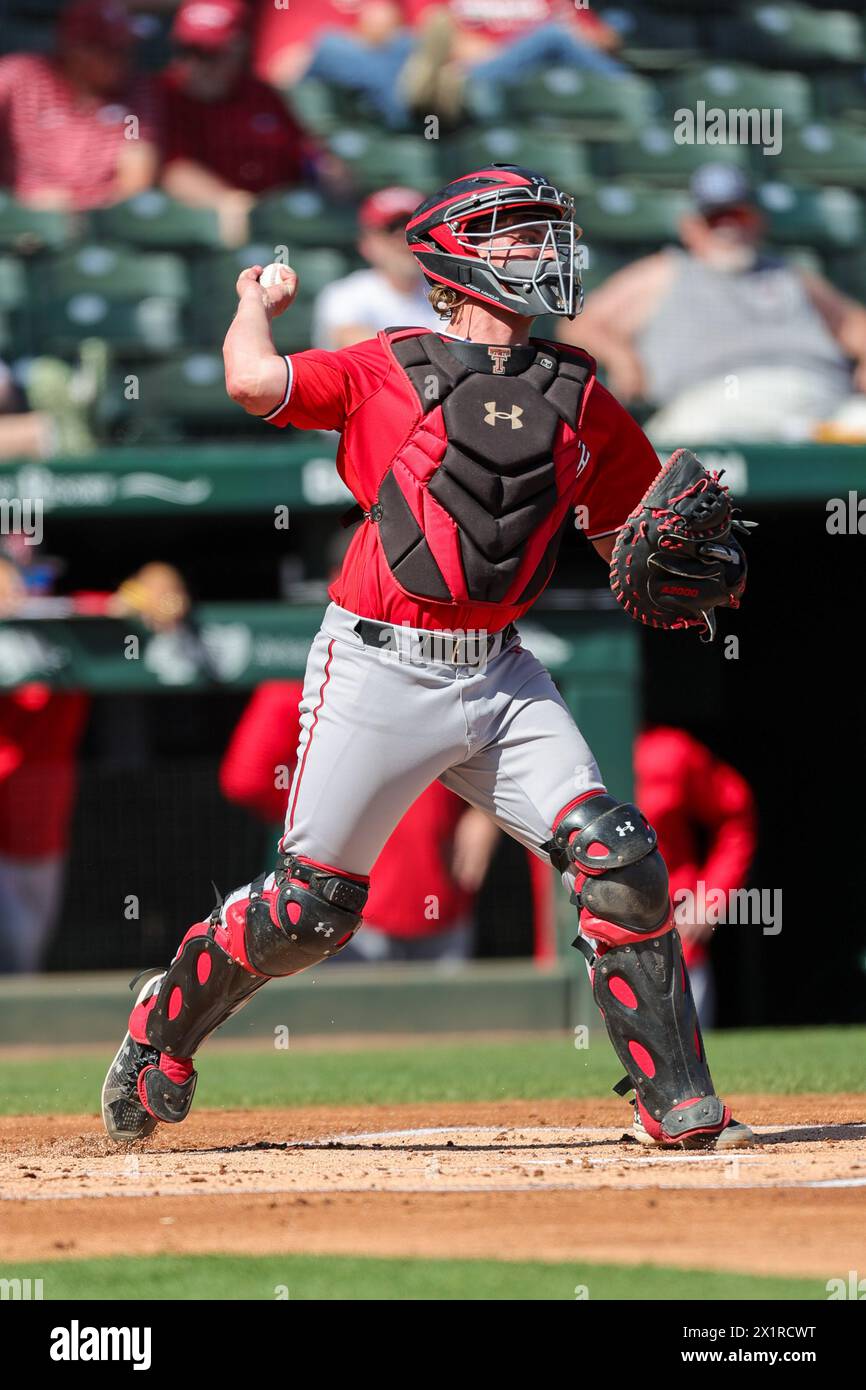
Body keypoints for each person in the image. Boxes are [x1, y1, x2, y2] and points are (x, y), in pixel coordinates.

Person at [102, 163, 753, 1153]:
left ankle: (675, 1097)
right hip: (377, 661)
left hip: (497, 671)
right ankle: (164, 1027)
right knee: (308, 911)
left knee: (614, 852)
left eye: (545, 235)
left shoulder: (577, 391)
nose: (543, 254)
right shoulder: (384, 365)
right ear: (454, 257)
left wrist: (693, 571)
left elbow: (634, 533)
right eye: (517, 237)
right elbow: (250, 381)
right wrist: (249, 303)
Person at [561, 164, 866, 443]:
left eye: (738, 215)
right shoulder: (665, 272)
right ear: (691, 227)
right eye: (715, 219)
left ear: (757, 222)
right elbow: (582, 324)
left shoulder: (789, 274)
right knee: (663, 462)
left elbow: (854, 324)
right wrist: (621, 356)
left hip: (821, 401)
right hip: (714, 406)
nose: (728, 228)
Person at [220, 680, 497, 962]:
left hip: (439, 899)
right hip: (344, 903)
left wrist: (483, 811)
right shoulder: (311, 667)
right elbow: (247, 779)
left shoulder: (449, 666)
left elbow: (490, 734)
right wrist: (318, 818)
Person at [159, 0, 315, 246]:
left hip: (277, 218)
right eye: (185, 51)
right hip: (201, 231)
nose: (193, 64)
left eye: (208, 54)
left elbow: (305, 151)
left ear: (238, 49)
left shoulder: (261, 95)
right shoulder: (162, 94)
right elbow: (169, 168)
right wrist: (228, 201)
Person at [635, 727, 757, 1030]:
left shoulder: (667, 752)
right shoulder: (541, 753)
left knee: (683, 1070)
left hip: (671, 947)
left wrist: (712, 898)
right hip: (580, 953)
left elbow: (736, 813)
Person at [0, 0, 158, 212]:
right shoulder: (22, 76)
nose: (125, 60)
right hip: (20, 215)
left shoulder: (135, 96)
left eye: (128, 49)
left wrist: (78, 211)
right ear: (76, 49)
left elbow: (136, 173)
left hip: (100, 221)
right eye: (114, 51)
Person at [312, 187, 443, 349]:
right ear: (366, 243)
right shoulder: (345, 294)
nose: (403, 239)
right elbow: (357, 346)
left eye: (414, 229)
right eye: (392, 229)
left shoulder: (450, 291)